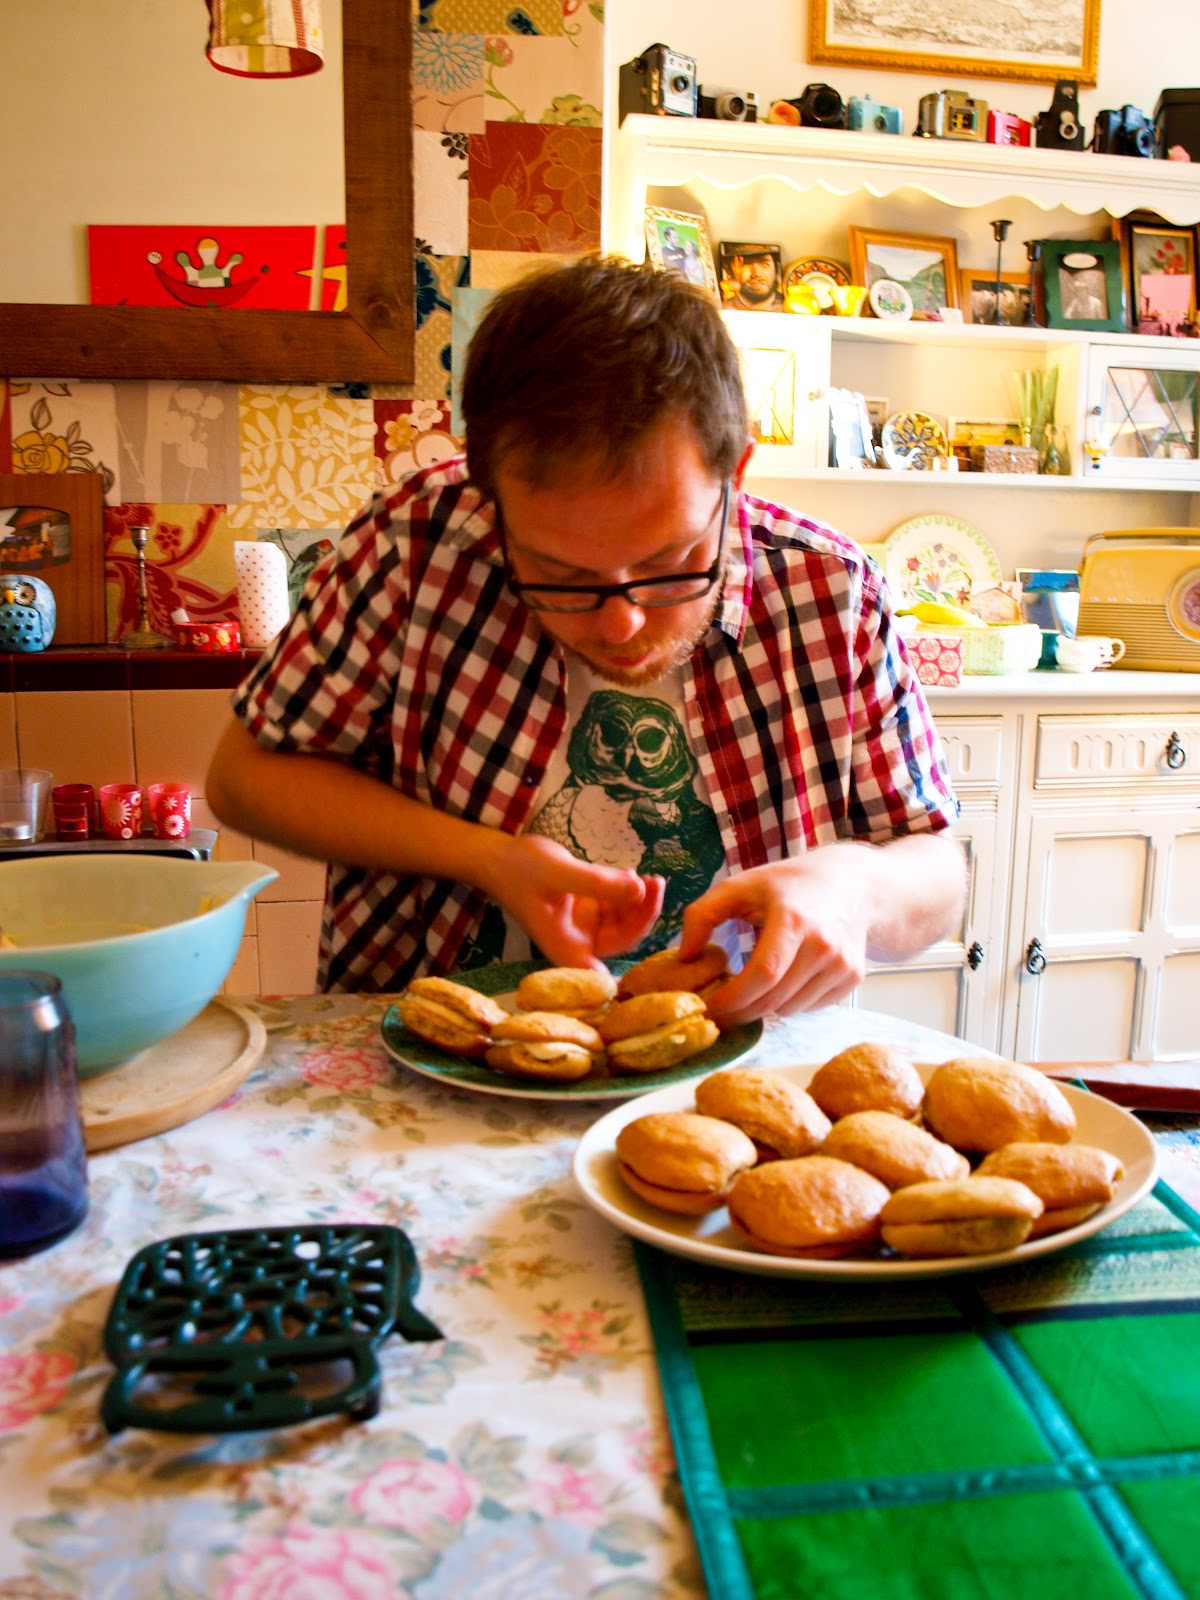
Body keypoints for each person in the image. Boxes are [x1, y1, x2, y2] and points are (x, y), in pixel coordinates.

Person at [206, 256, 964, 1025]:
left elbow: (938, 869)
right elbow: (242, 778)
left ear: (735, 473)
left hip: (740, 1080)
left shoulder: (830, 589)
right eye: (559, 573)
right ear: (487, 494)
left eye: (670, 565)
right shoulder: (414, 544)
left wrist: (852, 888)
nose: (621, 624)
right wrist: (485, 860)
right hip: (434, 1061)